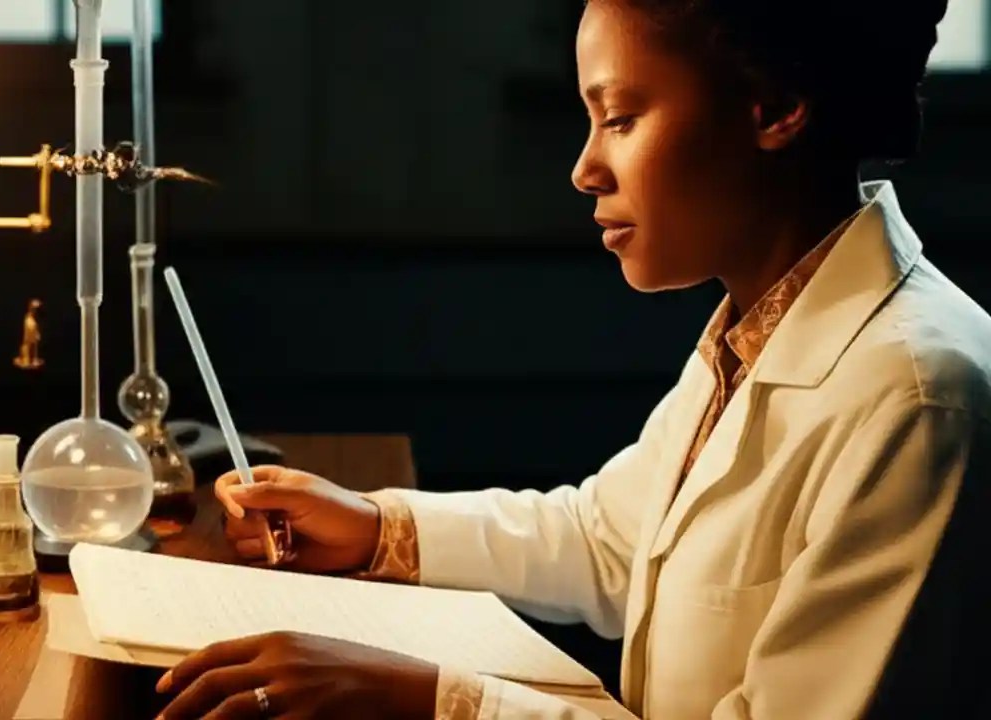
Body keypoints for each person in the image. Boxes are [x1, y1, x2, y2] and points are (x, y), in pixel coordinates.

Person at [155, 0, 991, 718]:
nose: (585, 170)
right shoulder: (760, 326)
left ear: (774, 108)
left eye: (620, 118)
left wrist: (428, 700)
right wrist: (377, 530)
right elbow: (611, 540)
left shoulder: (917, 401)